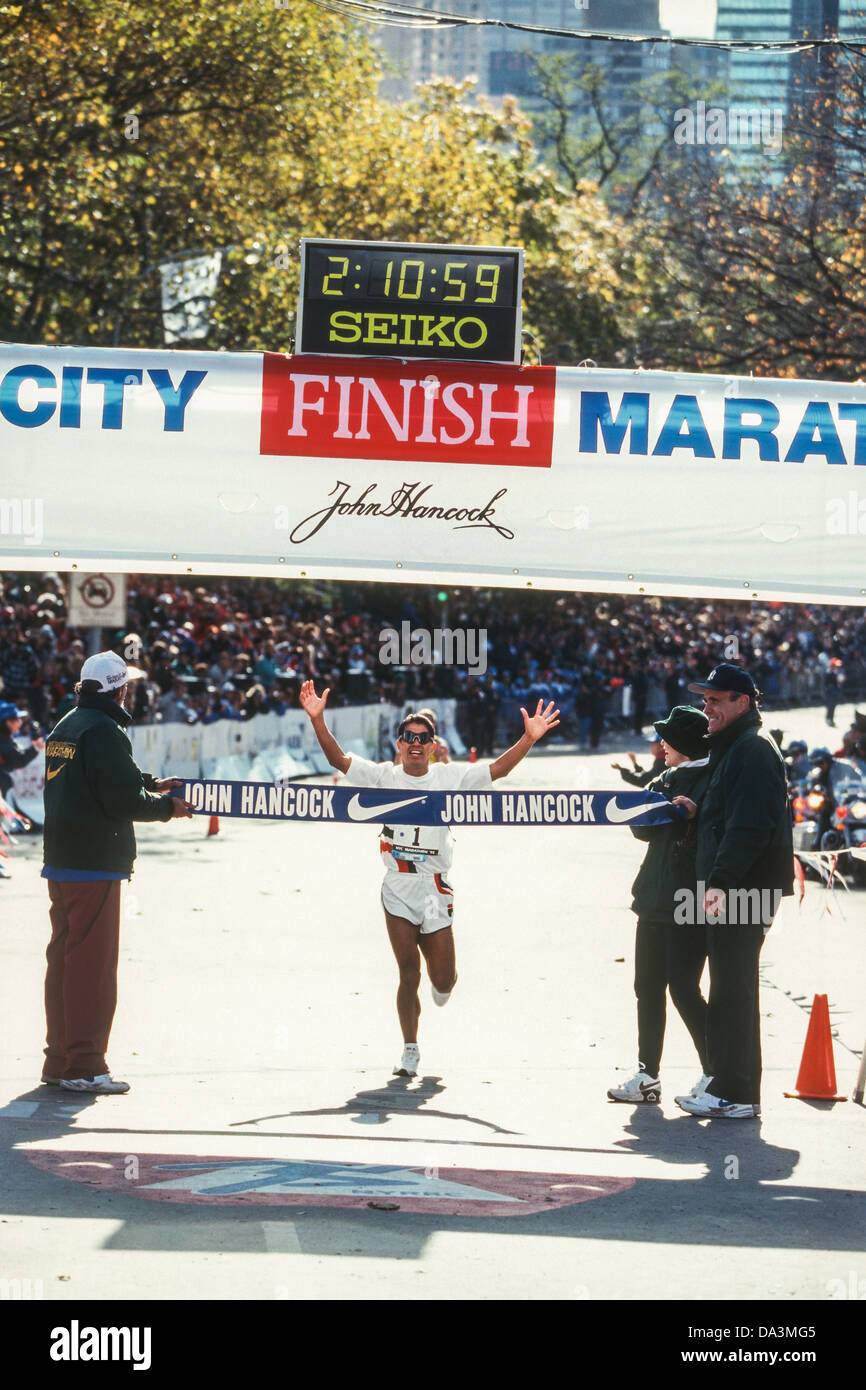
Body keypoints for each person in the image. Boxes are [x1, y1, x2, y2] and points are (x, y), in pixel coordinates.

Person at [300, 680, 559, 1078]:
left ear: (434, 746)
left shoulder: (448, 777)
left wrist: (528, 738)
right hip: (397, 886)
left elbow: (498, 770)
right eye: (409, 738)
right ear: (399, 745)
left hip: (435, 888)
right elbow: (338, 759)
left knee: (442, 980)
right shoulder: (384, 777)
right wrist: (318, 719)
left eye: (423, 738)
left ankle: (444, 983)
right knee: (408, 972)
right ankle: (410, 1048)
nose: (416, 744)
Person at [41, 651, 194, 1094]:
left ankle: (58, 1060)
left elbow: (97, 780)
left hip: (62, 860)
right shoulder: (106, 730)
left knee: (64, 963)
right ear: (119, 689)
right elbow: (122, 800)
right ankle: (86, 1065)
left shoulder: (67, 724)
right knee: (92, 968)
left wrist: (148, 783)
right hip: (94, 864)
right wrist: (167, 807)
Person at [672, 663, 793, 1119]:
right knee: (727, 988)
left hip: (744, 888)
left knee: (733, 991)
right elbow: (730, 813)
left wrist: (720, 882)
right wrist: (698, 810)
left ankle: (737, 1094)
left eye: (716, 700)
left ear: (743, 702)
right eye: (705, 700)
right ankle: (726, 1085)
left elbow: (749, 826)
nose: (708, 708)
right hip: (738, 886)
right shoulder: (737, 744)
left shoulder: (752, 748)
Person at [608, 707, 712, 1105]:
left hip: (689, 900)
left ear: (685, 744)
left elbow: (710, 830)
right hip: (652, 897)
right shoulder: (664, 778)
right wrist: (666, 812)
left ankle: (715, 1073)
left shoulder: (713, 779)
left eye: (667, 738)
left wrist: (686, 816)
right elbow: (640, 827)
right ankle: (647, 1074)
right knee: (646, 987)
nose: (661, 744)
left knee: (684, 988)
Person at [0, 701, 45, 878]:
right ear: (8, 722)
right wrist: (35, 749)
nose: (20, 722)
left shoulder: (5, 739)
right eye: (16, 719)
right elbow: (15, 760)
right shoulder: (3, 741)